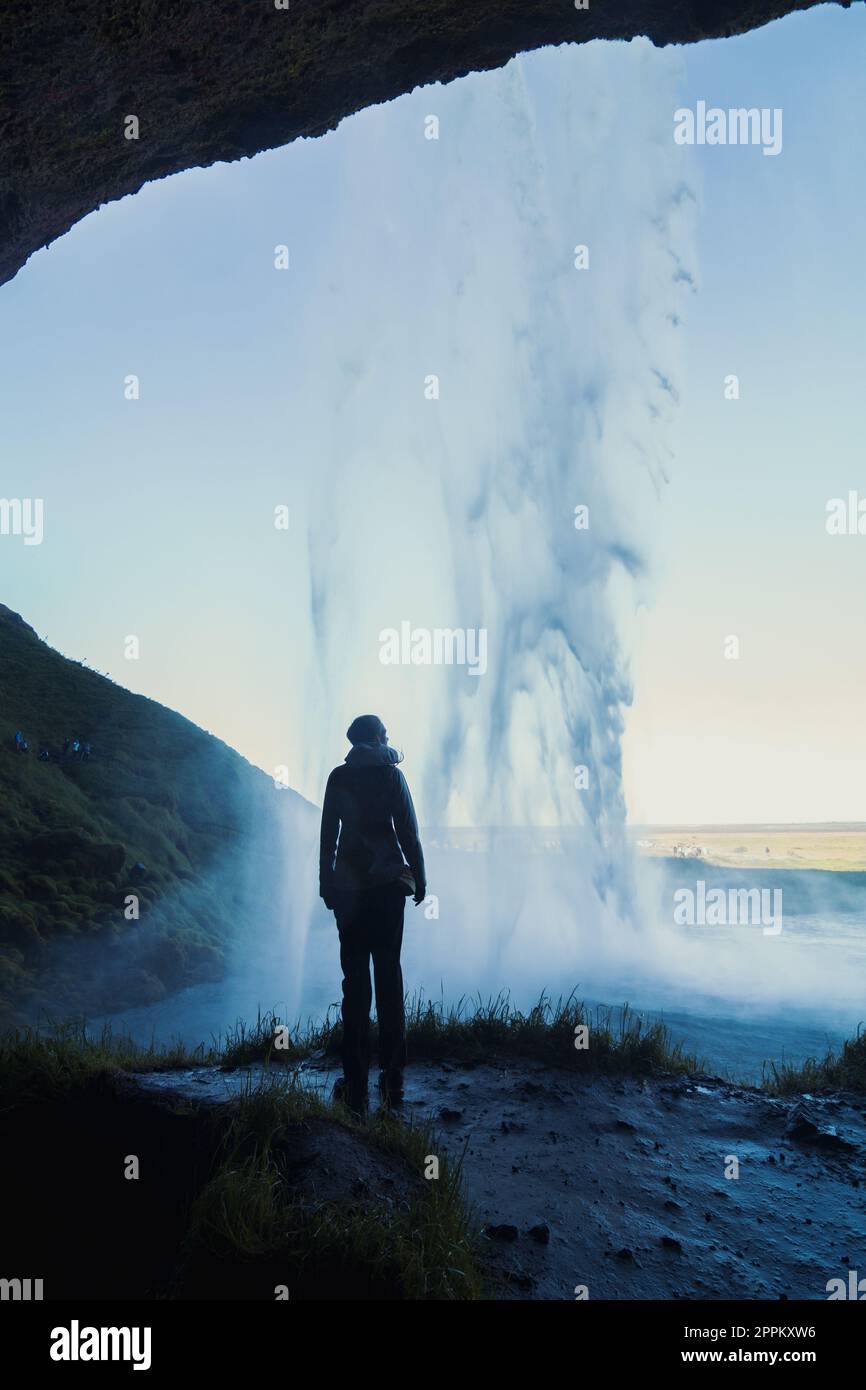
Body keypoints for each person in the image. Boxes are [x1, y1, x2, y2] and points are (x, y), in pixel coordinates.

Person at [319, 715, 426, 1115]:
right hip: (387, 891)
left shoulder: (338, 777)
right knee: (389, 979)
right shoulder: (391, 777)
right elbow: (409, 833)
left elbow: (329, 834)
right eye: (384, 734)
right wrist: (420, 878)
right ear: (377, 739)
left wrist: (325, 883)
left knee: (355, 986)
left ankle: (355, 1079)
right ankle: (392, 1076)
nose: (388, 739)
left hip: (348, 893)